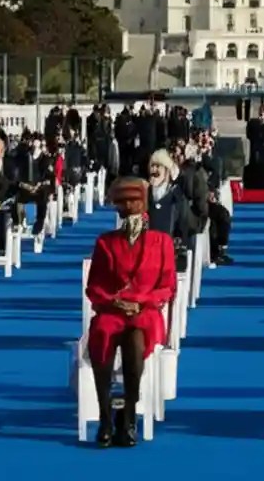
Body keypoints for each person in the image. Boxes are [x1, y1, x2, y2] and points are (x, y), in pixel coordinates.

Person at [84, 177, 176, 448]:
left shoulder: (162, 242)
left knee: (137, 341)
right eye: (123, 203)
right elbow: (95, 287)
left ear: (143, 205)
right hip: (113, 311)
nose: (129, 207)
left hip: (145, 312)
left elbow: (167, 286)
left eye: (134, 201)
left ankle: (129, 417)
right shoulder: (106, 242)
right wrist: (114, 302)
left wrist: (142, 302)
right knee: (100, 334)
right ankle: (105, 418)